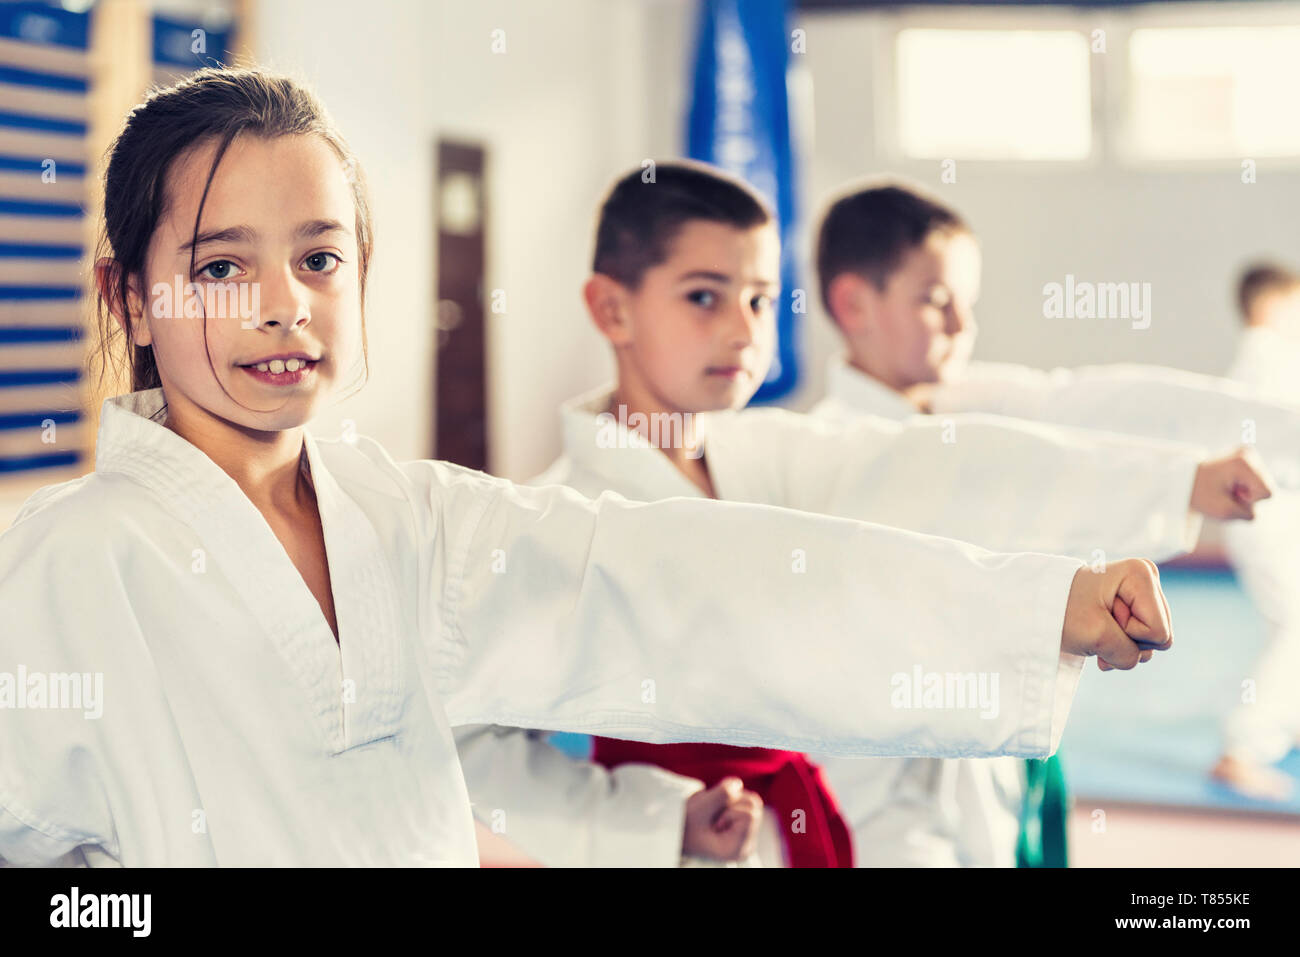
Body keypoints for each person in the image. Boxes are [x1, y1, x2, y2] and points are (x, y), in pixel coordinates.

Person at [0, 70, 1172, 868]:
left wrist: (1029, 610)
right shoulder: (62, 564)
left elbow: (681, 584)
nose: (282, 307)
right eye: (217, 268)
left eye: (319, 257)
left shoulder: (408, 519)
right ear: (127, 299)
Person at [454, 162, 1266, 868]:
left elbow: (943, 465)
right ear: (611, 309)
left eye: (762, 299)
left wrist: (1169, 486)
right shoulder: (551, 516)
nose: (744, 329)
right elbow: (470, 761)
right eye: (705, 297)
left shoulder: (771, 452)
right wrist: (649, 817)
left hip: (814, 824)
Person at [812, 179, 1300, 861]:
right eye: (934, 301)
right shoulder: (834, 451)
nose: (962, 326)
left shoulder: (958, 403)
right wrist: (1176, 480)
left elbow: (1097, 403)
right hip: (885, 796)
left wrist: (1254, 443)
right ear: (853, 303)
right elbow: (1027, 476)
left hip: (994, 761)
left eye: (968, 303)